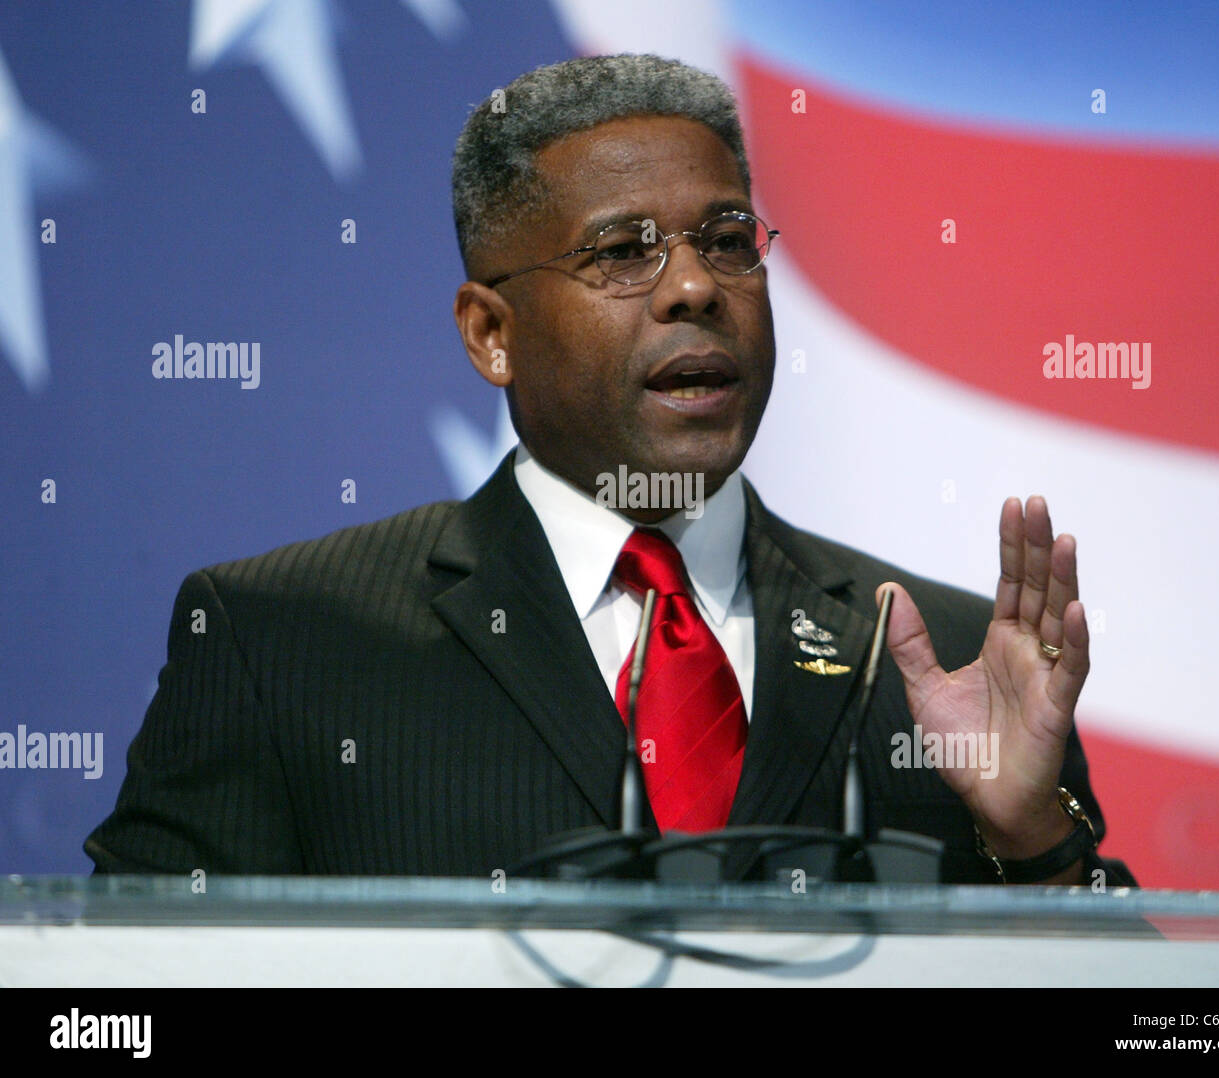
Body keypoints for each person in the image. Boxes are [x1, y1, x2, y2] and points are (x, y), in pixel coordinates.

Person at [86, 54, 1134, 886]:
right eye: (621, 252)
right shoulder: (285, 642)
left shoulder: (937, 660)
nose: (692, 285)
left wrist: (1033, 838)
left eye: (727, 240)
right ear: (490, 332)